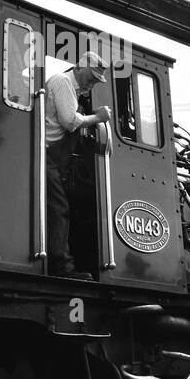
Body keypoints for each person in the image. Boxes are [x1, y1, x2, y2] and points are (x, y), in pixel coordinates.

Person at [44, 51, 111, 278]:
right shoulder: (63, 82)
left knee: (63, 207)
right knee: (58, 209)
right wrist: (98, 118)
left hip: (53, 158)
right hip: (46, 156)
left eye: (96, 80)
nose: (92, 84)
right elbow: (71, 122)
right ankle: (61, 267)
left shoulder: (72, 90)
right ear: (79, 67)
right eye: (91, 77)